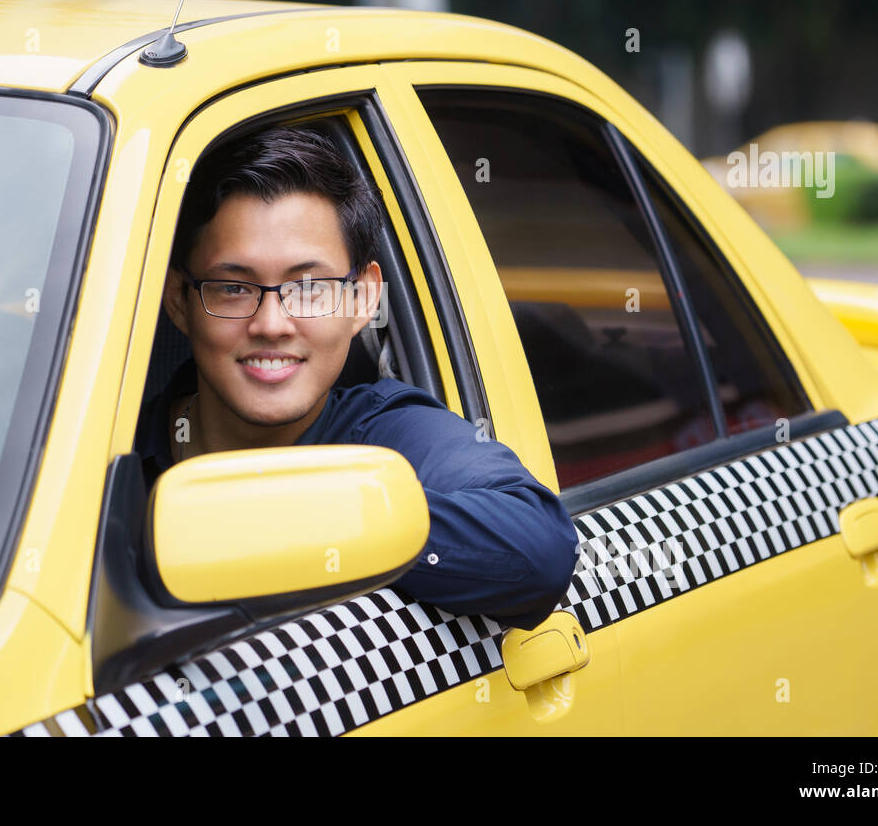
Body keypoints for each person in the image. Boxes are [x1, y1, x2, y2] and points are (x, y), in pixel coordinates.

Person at [134, 124, 580, 631]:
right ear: (178, 300)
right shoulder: (106, 453)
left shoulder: (389, 436)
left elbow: (538, 551)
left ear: (364, 297)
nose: (271, 325)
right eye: (233, 288)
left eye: (309, 286)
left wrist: (301, 515)